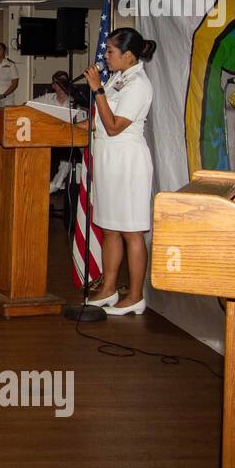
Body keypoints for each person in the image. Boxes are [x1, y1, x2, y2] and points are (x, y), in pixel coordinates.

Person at [83, 30, 157, 317]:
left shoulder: (138, 84)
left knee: (131, 231)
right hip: (108, 158)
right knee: (110, 226)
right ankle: (109, 288)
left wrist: (97, 89)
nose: (105, 57)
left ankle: (136, 296)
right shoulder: (118, 78)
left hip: (128, 161)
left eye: (110, 52)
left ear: (128, 55)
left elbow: (114, 126)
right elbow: (100, 122)